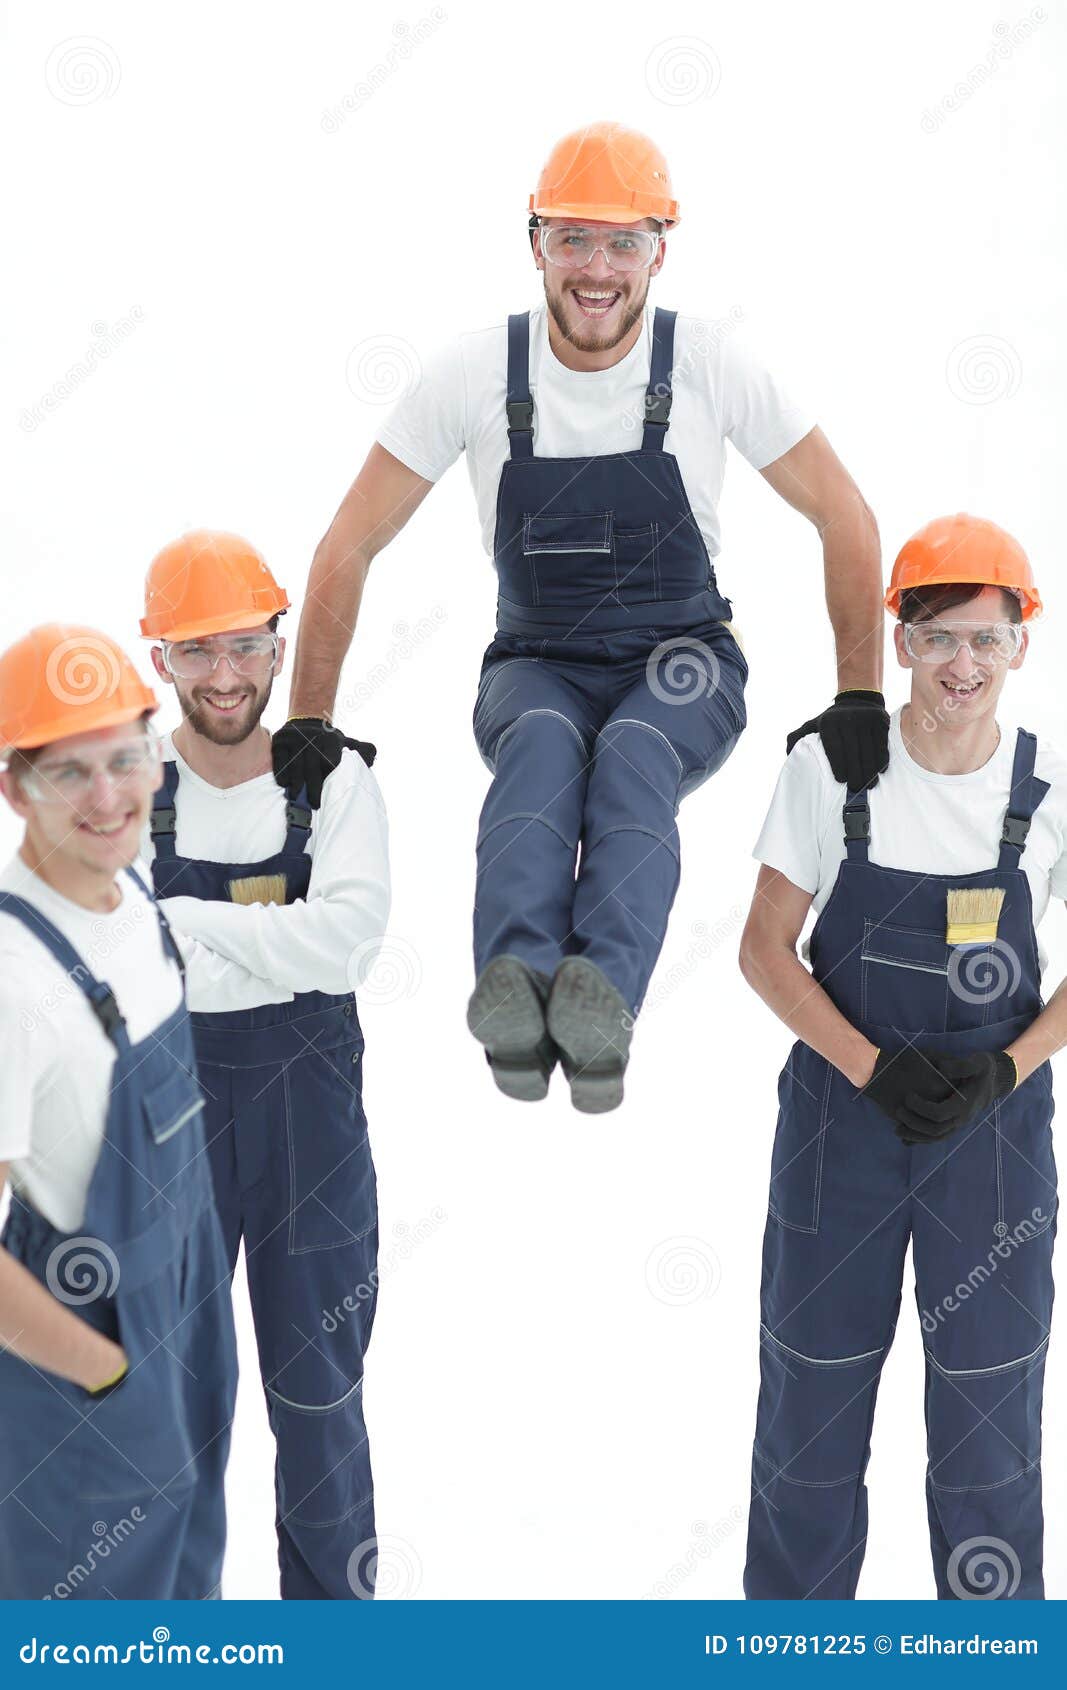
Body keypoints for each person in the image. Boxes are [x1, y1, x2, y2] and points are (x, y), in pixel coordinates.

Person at [270, 119, 884, 1113]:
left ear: (658, 249)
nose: (596, 269)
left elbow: (842, 513)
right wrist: (308, 715)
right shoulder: (471, 375)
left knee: (636, 751)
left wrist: (859, 694)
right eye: (573, 239)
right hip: (534, 660)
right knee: (543, 748)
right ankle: (514, 992)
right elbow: (349, 540)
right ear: (534, 242)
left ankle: (598, 1001)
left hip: (680, 658)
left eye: (622, 242)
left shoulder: (709, 363)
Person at [741, 514, 1063, 1600]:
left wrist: (1006, 1069)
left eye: (983, 638)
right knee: (810, 1403)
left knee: (987, 1409)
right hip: (842, 1128)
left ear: (1021, 642)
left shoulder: (1048, 785)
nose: (959, 664)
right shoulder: (830, 770)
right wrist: (867, 1064)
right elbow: (760, 949)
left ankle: (989, 1655)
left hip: (993, 1140)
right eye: (935, 639)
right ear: (897, 644)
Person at [138, 529, 390, 1600]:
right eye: (198, 652)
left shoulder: (336, 784)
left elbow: (347, 944)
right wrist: (267, 935)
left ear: (279, 644)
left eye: (244, 644)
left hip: (308, 1118)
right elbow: (102, 947)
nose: (226, 674)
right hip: (163, 1117)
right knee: (164, 1398)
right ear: (158, 659)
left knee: (318, 1390)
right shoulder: (124, 782)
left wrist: (182, 919)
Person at [0, 624, 237, 1599]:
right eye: (70, 775)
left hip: (188, 1298)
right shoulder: (14, 981)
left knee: (187, 1583)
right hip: (85, 1344)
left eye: (125, 760)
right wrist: (104, 1375)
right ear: (15, 789)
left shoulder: (135, 896)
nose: (109, 799)